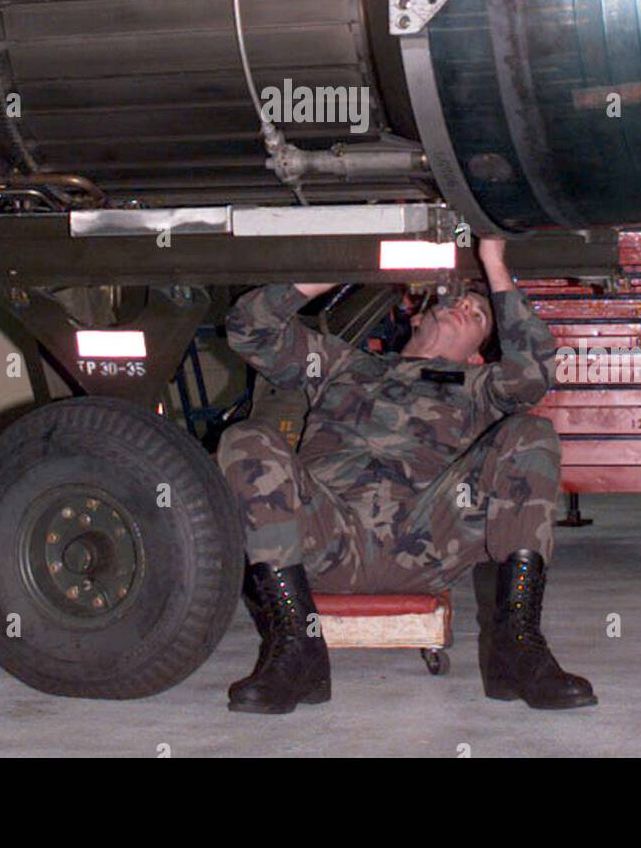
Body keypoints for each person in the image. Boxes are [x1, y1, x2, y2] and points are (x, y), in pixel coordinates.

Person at [218, 236, 596, 714]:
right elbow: (249, 328)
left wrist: (493, 262)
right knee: (246, 438)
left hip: (428, 539)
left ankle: (518, 647)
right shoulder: (341, 365)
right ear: (417, 318)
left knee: (531, 434)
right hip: (326, 537)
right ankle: (294, 649)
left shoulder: (481, 386)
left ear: (478, 356)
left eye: (479, 315)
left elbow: (535, 371)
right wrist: (340, 267)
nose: (463, 307)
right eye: (456, 300)